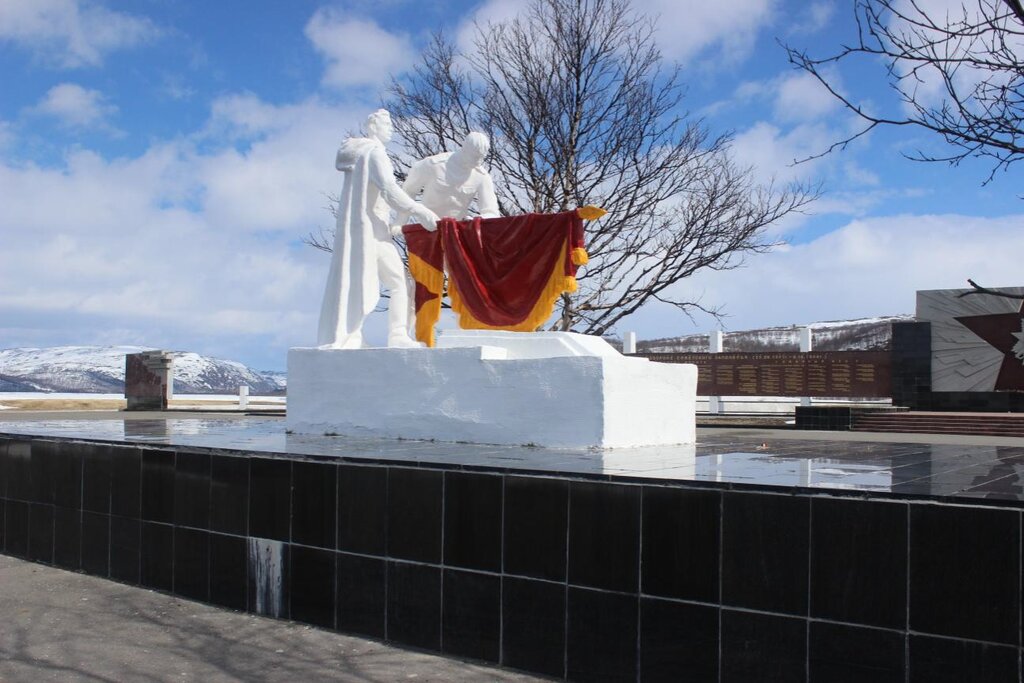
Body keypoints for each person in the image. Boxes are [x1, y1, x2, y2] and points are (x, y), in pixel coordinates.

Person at [317, 109, 439, 349]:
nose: (391, 130)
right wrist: (420, 210)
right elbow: (389, 189)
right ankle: (387, 335)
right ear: (374, 127)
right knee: (397, 283)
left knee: (399, 283)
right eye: (387, 125)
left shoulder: (363, 154)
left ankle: (391, 334)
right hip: (371, 233)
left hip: (376, 230)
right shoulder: (375, 154)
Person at [394, 131, 500, 225]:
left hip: (458, 232)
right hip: (428, 228)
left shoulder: (482, 176)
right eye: (474, 157)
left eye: (481, 158)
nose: (477, 162)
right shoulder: (433, 164)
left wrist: (477, 221)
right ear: (464, 149)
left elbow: (491, 212)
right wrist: (400, 222)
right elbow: (408, 190)